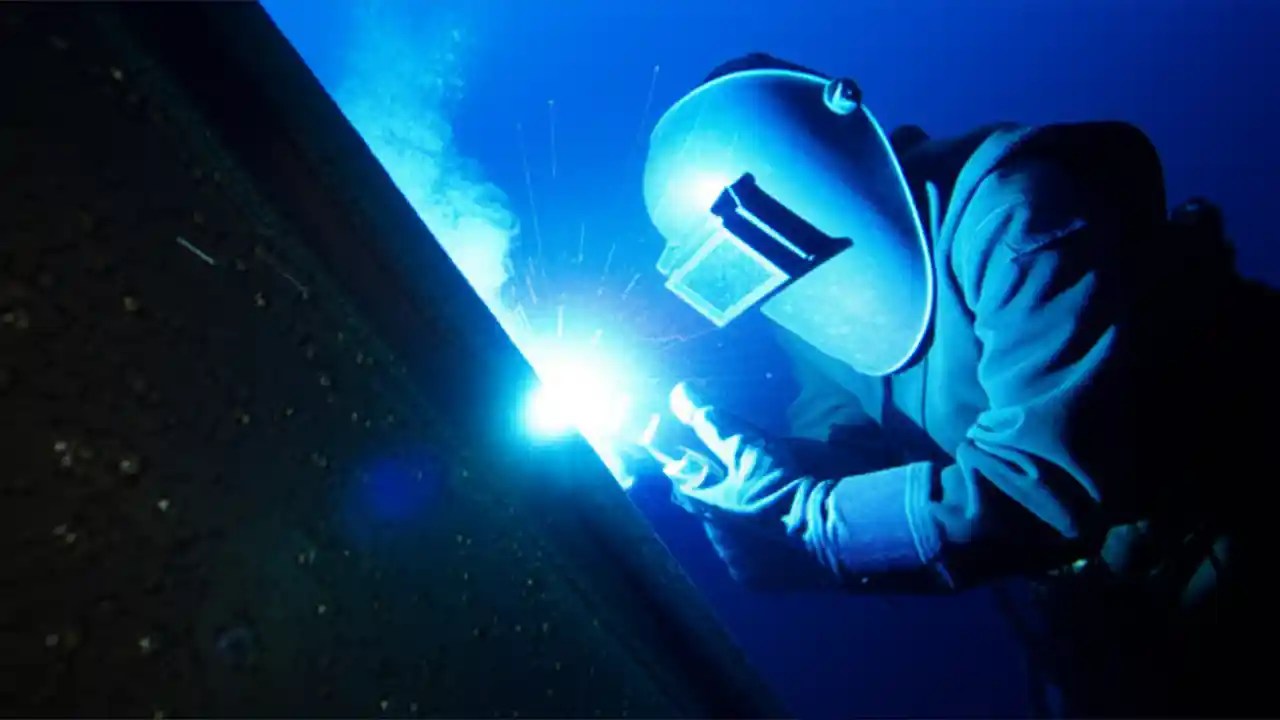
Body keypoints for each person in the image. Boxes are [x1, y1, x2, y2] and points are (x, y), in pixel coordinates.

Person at [637, 52, 1279, 717]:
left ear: (808, 175)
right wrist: (754, 483)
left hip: (1241, 525)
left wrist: (809, 519)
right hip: (1114, 609)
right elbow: (858, 450)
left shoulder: (1016, 220)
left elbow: (1042, 485)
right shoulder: (804, 303)